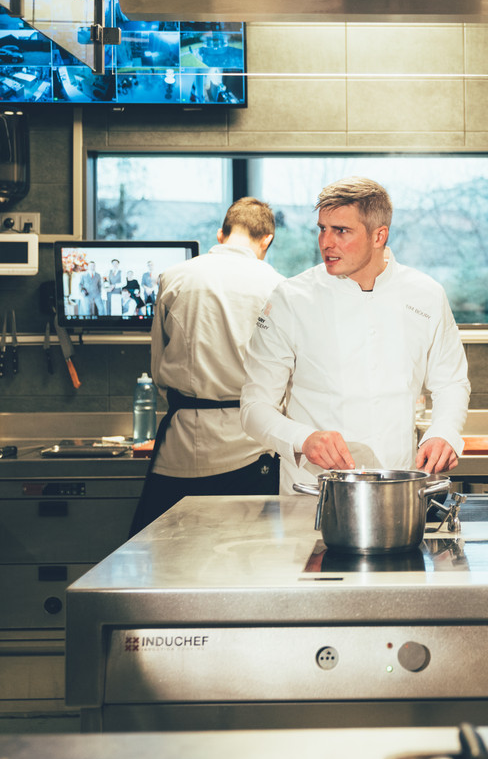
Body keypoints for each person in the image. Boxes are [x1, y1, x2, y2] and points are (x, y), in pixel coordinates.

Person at [241, 176, 470, 493]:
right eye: (322, 229)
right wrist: (303, 439)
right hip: (314, 491)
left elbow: (451, 382)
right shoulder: (290, 299)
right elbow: (254, 408)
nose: (326, 242)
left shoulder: (426, 295)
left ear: (379, 236)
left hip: (397, 487)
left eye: (341, 231)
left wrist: (444, 431)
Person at [128, 197, 285, 536]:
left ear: (221, 234)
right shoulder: (277, 285)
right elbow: (282, 376)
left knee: (168, 555)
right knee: (243, 557)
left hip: (181, 448)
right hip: (249, 448)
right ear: (267, 239)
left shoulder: (174, 277)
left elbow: (158, 365)